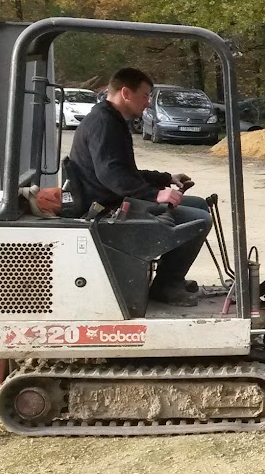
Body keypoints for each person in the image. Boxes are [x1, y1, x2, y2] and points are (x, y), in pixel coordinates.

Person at [70, 67, 208, 307]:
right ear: (126, 92)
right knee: (200, 220)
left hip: (113, 198)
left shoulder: (112, 119)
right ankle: (165, 286)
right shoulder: (104, 123)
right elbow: (111, 175)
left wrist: (165, 178)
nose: (147, 103)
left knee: (199, 204)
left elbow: (125, 172)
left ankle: (171, 277)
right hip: (106, 207)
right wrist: (155, 194)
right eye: (145, 95)